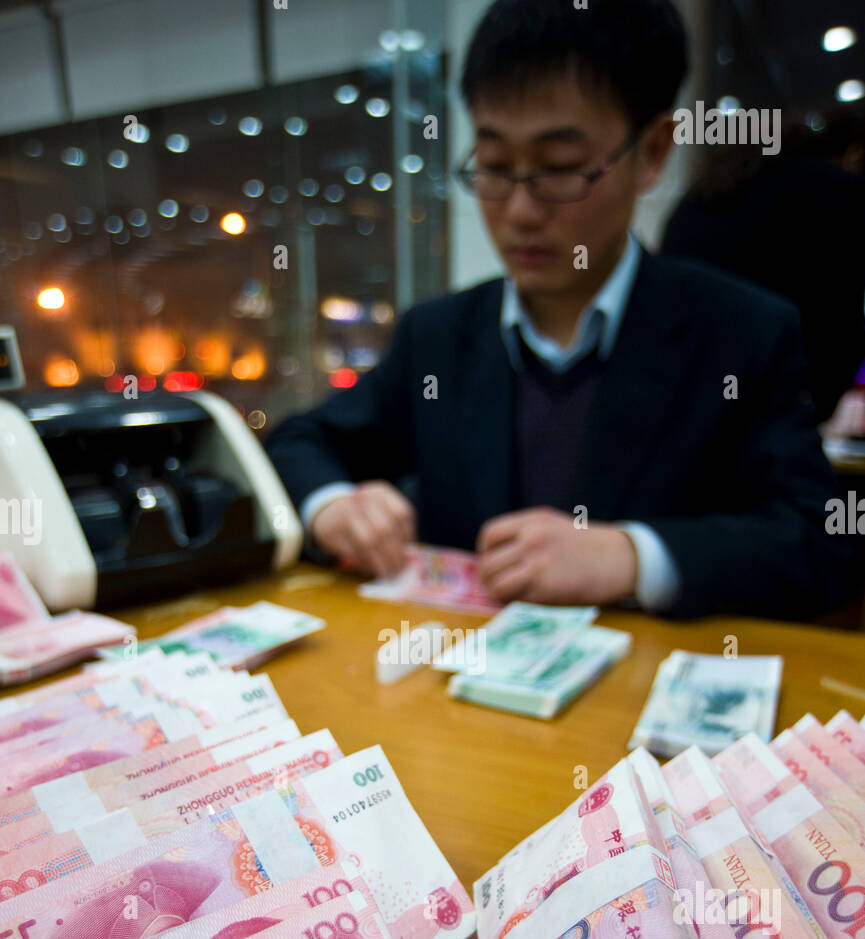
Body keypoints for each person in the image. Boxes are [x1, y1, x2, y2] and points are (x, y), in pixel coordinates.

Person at [266, 0, 859, 622]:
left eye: (560, 169)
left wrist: (633, 555)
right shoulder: (438, 336)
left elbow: (824, 539)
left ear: (652, 151)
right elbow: (300, 441)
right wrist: (333, 505)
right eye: (494, 167)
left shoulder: (741, 334)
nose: (520, 211)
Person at [662, 113, 865, 426]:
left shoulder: (703, 194)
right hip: (772, 403)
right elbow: (840, 315)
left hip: (683, 397)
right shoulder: (830, 189)